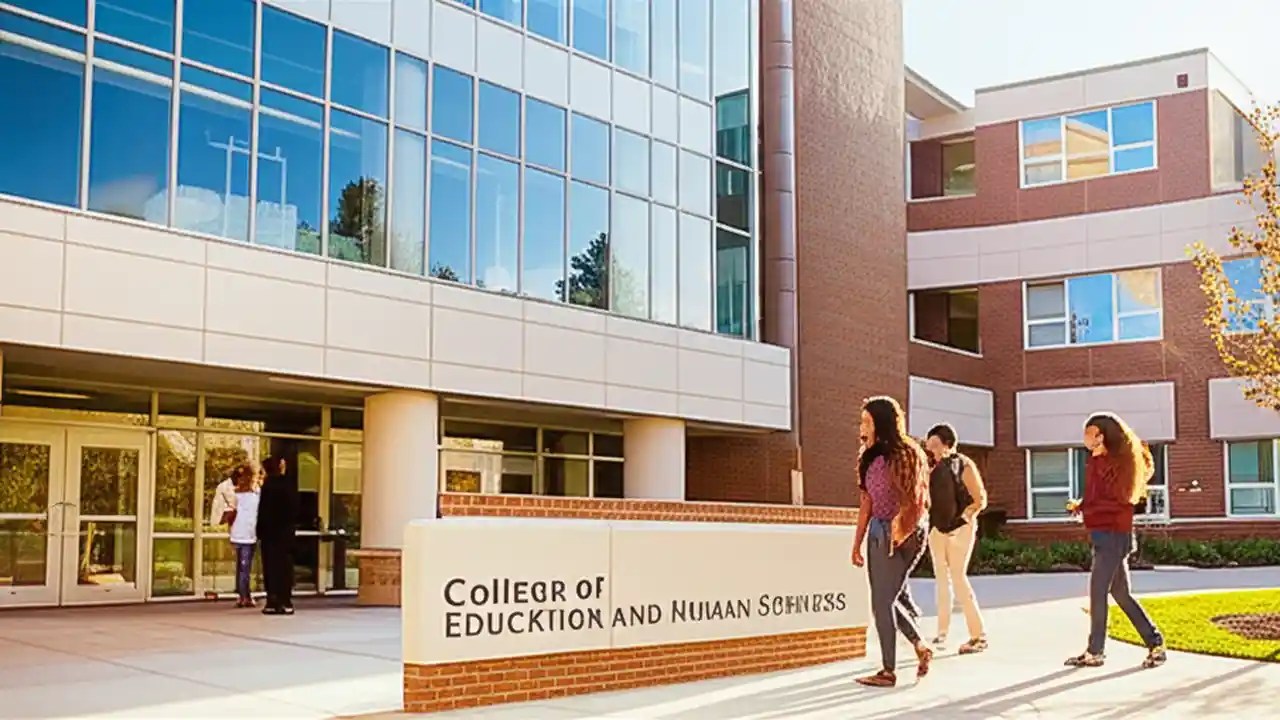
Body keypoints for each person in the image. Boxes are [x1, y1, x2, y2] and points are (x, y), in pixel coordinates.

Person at [1064, 412, 1167, 669]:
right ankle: (1156, 644)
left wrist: (1089, 509)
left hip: (1114, 535)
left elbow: (1118, 502)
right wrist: (1082, 505)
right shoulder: (1096, 460)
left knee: (1098, 592)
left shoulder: (1120, 463)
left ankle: (1095, 651)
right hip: (1102, 534)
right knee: (1120, 593)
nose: (1084, 437)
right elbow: (1096, 496)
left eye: (1089, 432)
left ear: (1101, 436)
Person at [851, 396, 933, 688]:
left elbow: (914, 497)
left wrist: (897, 531)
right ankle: (921, 646)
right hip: (900, 531)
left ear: (881, 422)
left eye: (867, 421)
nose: (862, 426)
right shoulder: (871, 456)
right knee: (889, 598)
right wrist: (856, 542)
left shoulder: (902, 454)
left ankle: (888, 671)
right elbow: (866, 503)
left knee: (881, 601)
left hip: (896, 532)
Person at [923, 423, 988, 654]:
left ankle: (978, 635)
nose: (931, 450)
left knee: (958, 578)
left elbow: (979, 499)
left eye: (936, 446)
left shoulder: (964, 464)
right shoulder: (928, 468)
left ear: (948, 445)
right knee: (941, 579)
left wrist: (963, 520)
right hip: (936, 529)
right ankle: (942, 632)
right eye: (928, 446)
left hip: (961, 529)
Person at [257, 455, 298, 615]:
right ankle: (285, 601)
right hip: (285, 535)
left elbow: (262, 513)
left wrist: (260, 532)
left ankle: (272, 601)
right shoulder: (288, 486)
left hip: (270, 535)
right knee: (285, 568)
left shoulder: (267, 487)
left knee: (271, 568)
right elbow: (294, 510)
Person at [221, 463, 261, 608]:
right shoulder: (255, 495)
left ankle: (242, 594)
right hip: (248, 534)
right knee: (246, 567)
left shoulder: (235, 494)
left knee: (241, 566)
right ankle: (245, 596)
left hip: (236, 533)